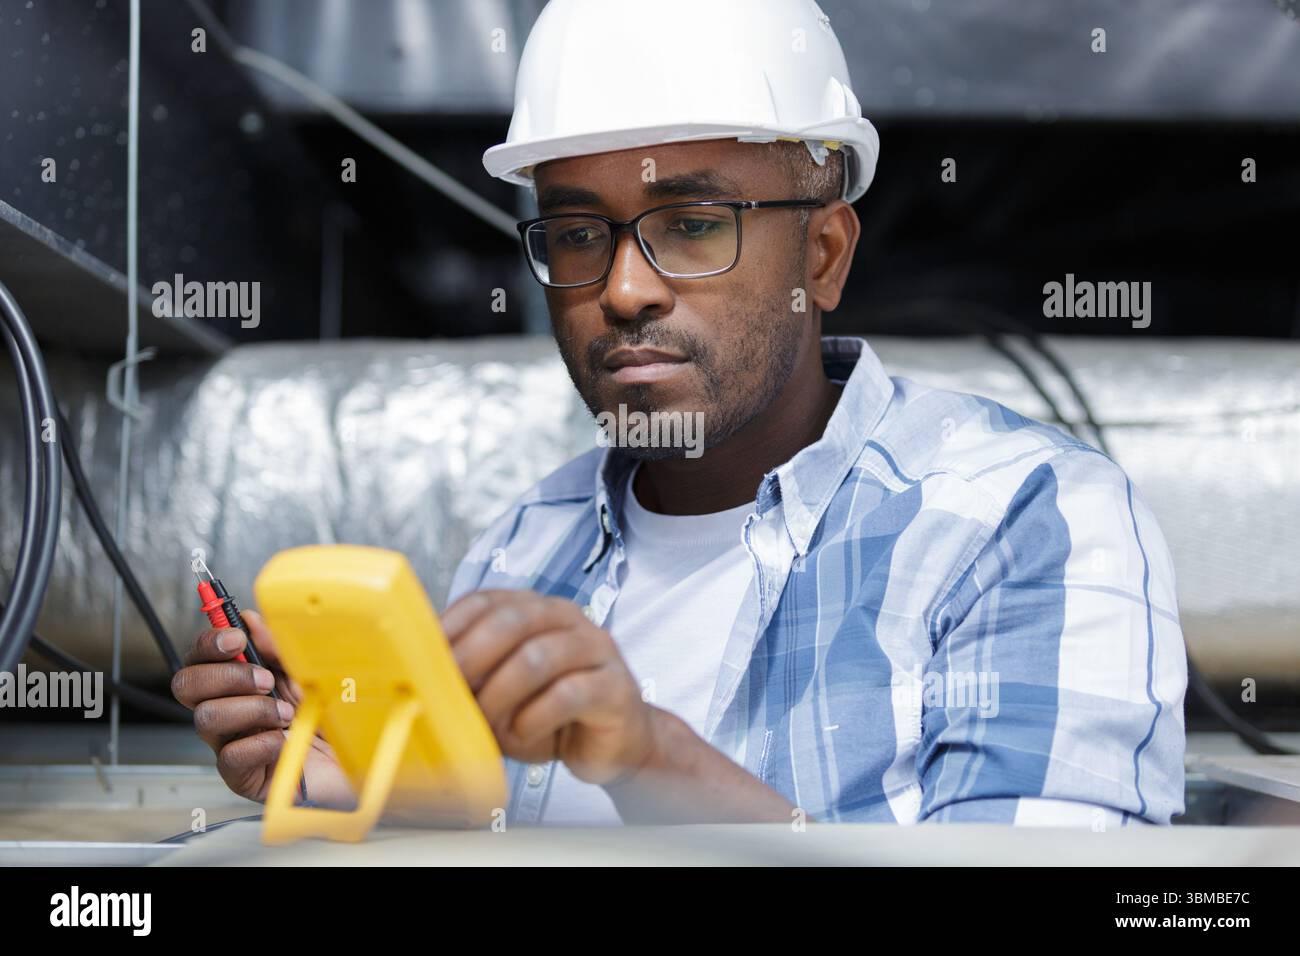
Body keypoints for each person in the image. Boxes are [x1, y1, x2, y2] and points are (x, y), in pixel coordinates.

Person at [171, 0, 1186, 827]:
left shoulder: (1019, 522)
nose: (622, 290)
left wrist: (652, 756)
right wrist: (355, 774)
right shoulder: (526, 546)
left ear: (823, 255)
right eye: (577, 232)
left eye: (692, 225)